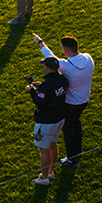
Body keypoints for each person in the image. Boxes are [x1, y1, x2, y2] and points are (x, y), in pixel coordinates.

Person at [33, 33, 94, 166]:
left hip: (70, 104)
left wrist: (40, 42)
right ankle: (78, 149)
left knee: (68, 130)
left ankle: (71, 158)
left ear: (66, 50)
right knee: (76, 123)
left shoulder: (67, 66)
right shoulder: (88, 58)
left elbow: (50, 57)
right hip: (84, 100)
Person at [28, 56, 69, 185]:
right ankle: (50, 171)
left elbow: (40, 103)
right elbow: (54, 91)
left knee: (44, 150)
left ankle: (44, 178)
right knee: (53, 144)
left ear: (46, 67)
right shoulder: (63, 79)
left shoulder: (46, 86)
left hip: (47, 122)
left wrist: (32, 91)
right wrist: (41, 86)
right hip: (59, 118)